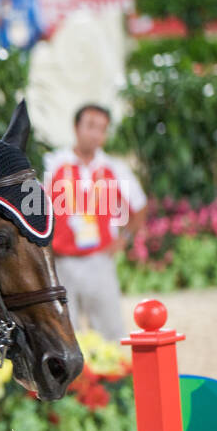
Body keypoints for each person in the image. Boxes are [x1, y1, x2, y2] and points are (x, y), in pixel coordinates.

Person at [44, 104, 147, 343]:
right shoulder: (53, 164)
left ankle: (113, 378)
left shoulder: (114, 168)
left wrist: (125, 239)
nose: (95, 134)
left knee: (111, 332)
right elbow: (37, 206)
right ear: (76, 127)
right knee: (65, 334)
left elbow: (140, 206)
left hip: (99, 261)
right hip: (62, 262)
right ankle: (77, 381)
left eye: (102, 129)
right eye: (90, 126)